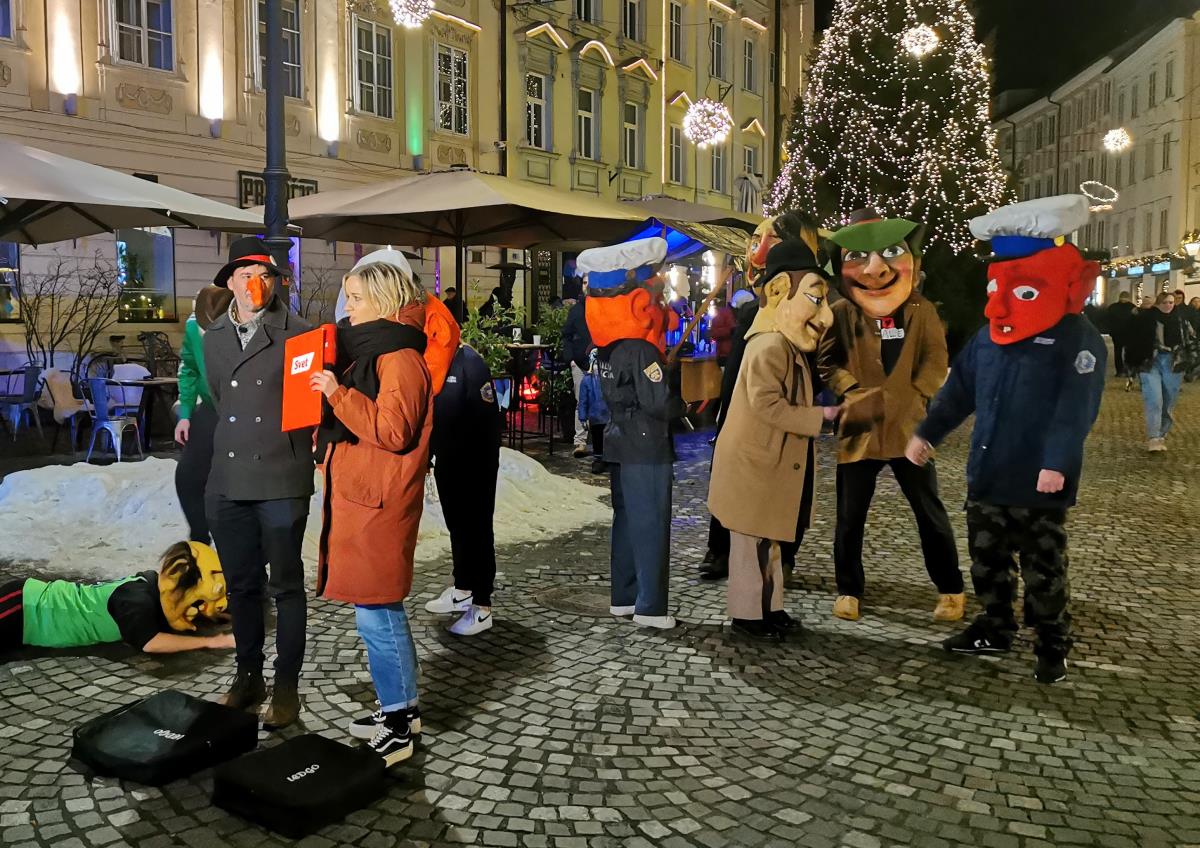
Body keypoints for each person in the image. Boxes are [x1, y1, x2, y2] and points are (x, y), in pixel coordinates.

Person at [906, 194, 1106, 685]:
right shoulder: (988, 337)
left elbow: (1075, 409)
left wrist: (1056, 461)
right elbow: (959, 392)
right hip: (990, 471)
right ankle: (995, 626)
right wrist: (927, 433)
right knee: (988, 558)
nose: (999, 304)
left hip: (1039, 478)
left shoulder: (1076, 337)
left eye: (1022, 292)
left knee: (1044, 566)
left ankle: (1053, 641)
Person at [310, 261, 433, 766]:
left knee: (380, 613)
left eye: (357, 298)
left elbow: (395, 430)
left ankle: (401, 723)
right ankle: (397, 707)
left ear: (382, 301)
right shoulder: (374, 350)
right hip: (365, 497)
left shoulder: (399, 355)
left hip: (380, 502)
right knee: (373, 613)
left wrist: (336, 395)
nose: (348, 307)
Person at [819, 211, 964, 623]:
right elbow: (827, 361)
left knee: (929, 511)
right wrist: (850, 389)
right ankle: (849, 589)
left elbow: (936, 357)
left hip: (908, 428)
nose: (874, 268)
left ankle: (951, 588)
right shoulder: (844, 310)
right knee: (850, 517)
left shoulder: (922, 310)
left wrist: (917, 392)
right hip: (859, 428)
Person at [204, 236, 314, 728]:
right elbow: (219, 402)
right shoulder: (213, 338)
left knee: (286, 588)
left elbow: (309, 411)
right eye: (245, 275)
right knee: (241, 586)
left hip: (280, 477)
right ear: (229, 282)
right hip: (228, 482)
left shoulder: (300, 336)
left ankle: (286, 685)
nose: (255, 284)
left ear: (277, 281)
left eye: (265, 275)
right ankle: (248, 676)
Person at [708, 240, 838, 640]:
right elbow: (767, 405)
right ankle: (748, 615)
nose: (825, 315)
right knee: (750, 544)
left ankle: (772, 607)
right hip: (754, 464)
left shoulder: (786, 341)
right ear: (782, 292)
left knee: (773, 541)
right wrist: (822, 417)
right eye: (815, 299)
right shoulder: (768, 344)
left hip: (771, 464)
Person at [700, 211, 823, 581]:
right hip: (744, 411)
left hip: (792, 411)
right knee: (732, 478)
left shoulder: (814, 305)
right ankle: (720, 550)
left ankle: (781, 557)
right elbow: (737, 372)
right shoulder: (752, 312)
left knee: (790, 484)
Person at [581, 237, 683, 630]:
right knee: (651, 523)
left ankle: (622, 598)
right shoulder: (642, 351)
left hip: (620, 440)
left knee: (625, 522)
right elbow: (657, 403)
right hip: (647, 445)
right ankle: (651, 608)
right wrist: (683, 403)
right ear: (640, 301)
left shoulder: (606, 347)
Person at [1, 542, 232, 653]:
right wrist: (210, 641)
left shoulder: (149, 588)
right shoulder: (135, 601)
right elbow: (151, 643)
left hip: (30, 616)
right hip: (27, 606)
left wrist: (208, 612)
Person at [424, 339, 503, 637]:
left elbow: (487, 417)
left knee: (477, 528)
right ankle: (463, 587)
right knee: (457, 526)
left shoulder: (469, 360)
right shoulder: (433, 359)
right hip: (447, 458)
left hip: (475, 461)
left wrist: (480, 460)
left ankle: (482, 605)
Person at [174, 286, 234, 544]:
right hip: (210, 405)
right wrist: (185, 413)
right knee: (188, 476)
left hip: (243, 409)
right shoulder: (193, 327)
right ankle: (199, 538)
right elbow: (188, 367)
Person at [1126, 291, 1194, 451]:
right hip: (1150, 362)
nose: (1168, 305)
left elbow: (1191, 339)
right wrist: (1134, 360)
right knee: (1154, 399)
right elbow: (1134, 340)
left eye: (1171, 302)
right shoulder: (1145, 319)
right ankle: (1154, 437)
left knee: (1169, 399)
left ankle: (1162, 432)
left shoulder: (1181, 320)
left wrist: (1190, 359)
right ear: (1158, 303)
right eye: (1165, 302)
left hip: (1174, 362)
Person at [562, 283, 593, 458]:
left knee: (601, 402)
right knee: (581, 401)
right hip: (580, 362)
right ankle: (580, 442)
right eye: (583, 282)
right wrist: (571, 359)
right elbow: (566, 334)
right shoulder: (576, 310)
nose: (586, 286)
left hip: (599, 362)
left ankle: (600, 443)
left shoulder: (604, 307)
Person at [577, 348, 610, 474]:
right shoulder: (587, 381)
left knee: (607, 438)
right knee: (597, 438)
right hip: (595, 416)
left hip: (608, 416)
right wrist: (583, 417)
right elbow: (583, 400)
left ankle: (607, 459)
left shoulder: (608, 379)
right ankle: (599, 459)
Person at [1106, 292, 1136, 377]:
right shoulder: (1132, 307)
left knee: (1118, 352)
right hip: (1128, 333)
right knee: (1128, 352)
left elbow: (1108, 320)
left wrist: (1110, 330)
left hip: (1117, 333)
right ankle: (1128, 369)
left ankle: (1120, 371)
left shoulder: (1113, 307)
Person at [708, 294, 736, 366]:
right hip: (725, 355)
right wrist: (731, 330)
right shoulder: (724, 313)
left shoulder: (726, 313)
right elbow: (714, 332)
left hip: (731, 353)